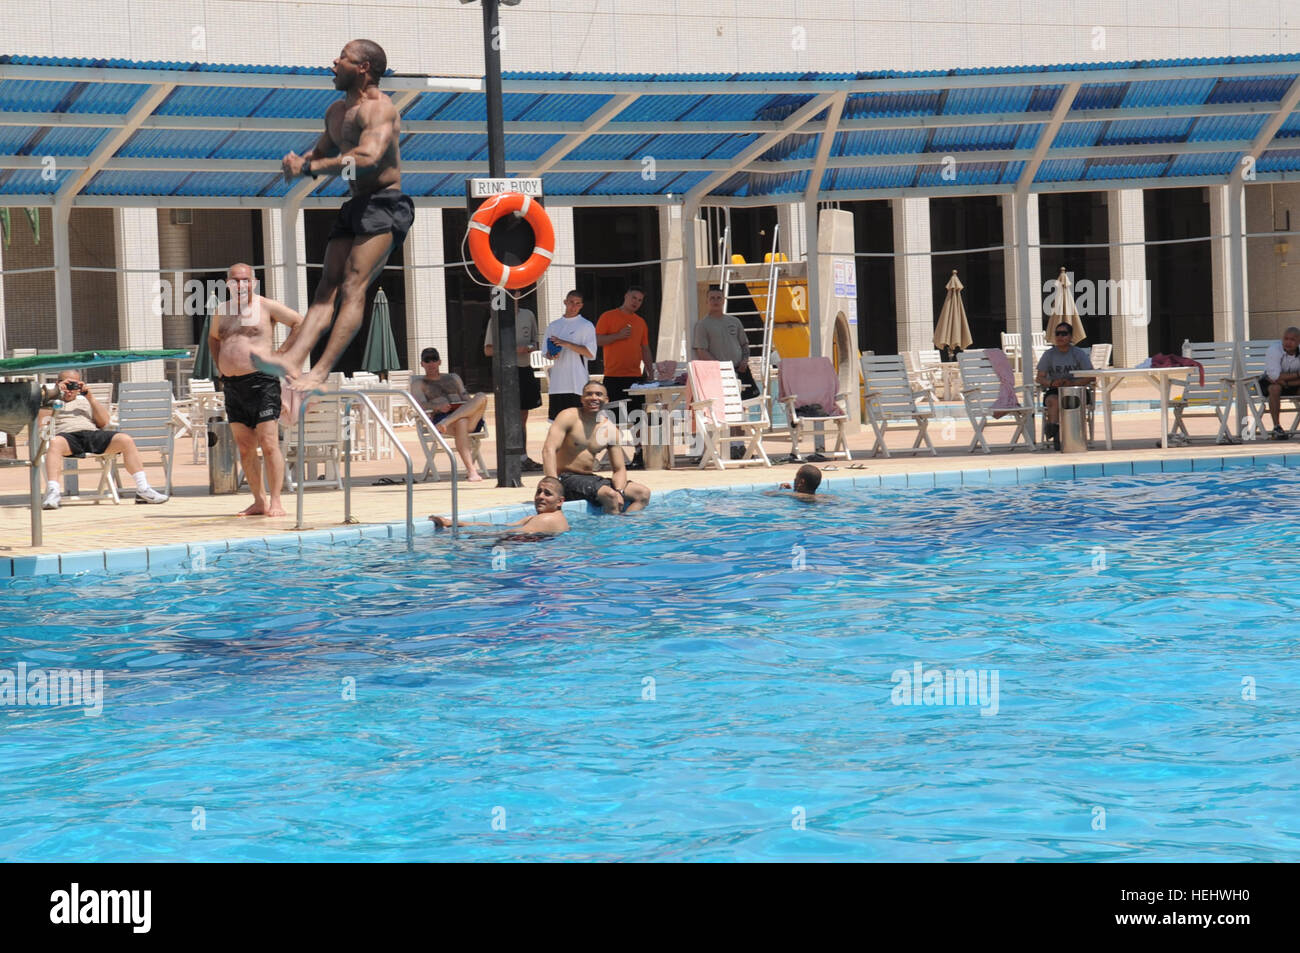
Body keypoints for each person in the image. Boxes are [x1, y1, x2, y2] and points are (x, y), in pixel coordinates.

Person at [254, 39, 411, 394]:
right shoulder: (335, 112)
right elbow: (323, 151)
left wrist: (310, 166)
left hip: (385, 203)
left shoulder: (380, 109)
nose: (333, 62)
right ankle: (293, 360)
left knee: (355, 284)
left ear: (363, 68)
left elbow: (368, 157)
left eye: (343, 58)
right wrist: (300, 162)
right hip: (355, 204)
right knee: (327, 286)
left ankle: (322, 371)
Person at [212, 262, 304, 516]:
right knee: (244, 446)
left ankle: (276, 501)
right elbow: (213, 338)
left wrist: (281, 355)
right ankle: (258, 500)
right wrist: (219, 366)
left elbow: (299, 323)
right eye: (235, 280)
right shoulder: (221, 310)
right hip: (233, 385)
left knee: (268, 442)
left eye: (245, 280)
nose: (240, 284)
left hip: (262, 381)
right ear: (228, 283)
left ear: (253, 282)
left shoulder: (266, 306)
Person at [39, 370, 169, 509]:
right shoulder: (49, 401)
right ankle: (53, 491)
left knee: (125, 440)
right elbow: (42, 424)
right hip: (66, 437)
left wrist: (90, 397)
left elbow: (104, 422)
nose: (71, 389)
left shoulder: (85, 401)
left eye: (74, 385)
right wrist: (56, 394)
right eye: (67, 384)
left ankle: (143, 489)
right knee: (55, 442)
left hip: (92, 434)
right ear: (58, 383)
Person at [542, 379, 651, 514]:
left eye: (598, 394)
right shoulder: (569, 416)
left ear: (606, 399)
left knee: (642, 493)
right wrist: (553, 484)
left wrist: (619, 491)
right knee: (609, 496)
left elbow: (619, 469)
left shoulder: (610, 430)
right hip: (565, 478)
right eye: (589, 394)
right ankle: (611, 533)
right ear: (582, 398)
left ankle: (626, 528)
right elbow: (549, 449)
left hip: (589, 479)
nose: (594, 398)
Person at [693, 285, 760, 457]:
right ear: (707, 301)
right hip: (719, 374)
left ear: (723, 300)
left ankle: (739, 445)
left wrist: (745, 360)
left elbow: (744, 345)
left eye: (718, 298)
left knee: (741, 408)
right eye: (712, 298)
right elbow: (701, 350)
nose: (715, 301)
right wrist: (720, 368)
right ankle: (727, 447)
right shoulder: (703, 325)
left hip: (740, 370)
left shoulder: (734, 322)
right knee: (724, 409)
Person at [595, 286, 654, 468]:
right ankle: (611, 455)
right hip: (613, 376)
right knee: (613, 419)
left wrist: (651, 371)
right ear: (625, 296)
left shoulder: (640, 322)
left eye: (640, 300)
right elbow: (596, 340)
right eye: (633, 298)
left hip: (635, 378)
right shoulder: (608, 316)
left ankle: (639, 454)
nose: (636, 302)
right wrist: (617, 336)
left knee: (637, 418)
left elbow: (645, 348)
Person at [410, 347, 488, 481]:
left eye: (434, 359)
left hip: (453, 421)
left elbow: (466, 398)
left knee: (481, 396)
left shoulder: (453, 378)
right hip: (442, 418)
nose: (431, 363)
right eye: (427, 360)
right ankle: (472, 471)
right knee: (461, 422)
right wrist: (437, 407)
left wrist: (468, 406)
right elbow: (420, 405)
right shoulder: (419, 383)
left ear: (440, 362)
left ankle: (451, 420)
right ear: (422, 364)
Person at [484, 302, 543, 470]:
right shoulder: (496, 318)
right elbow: (488, 350)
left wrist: (528, 348)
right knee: (509, 417)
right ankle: (510, 458)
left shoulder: (528, 315)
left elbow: (535, 343)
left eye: (516, 290)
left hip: (525, 369)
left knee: (523, 417)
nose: (513, 294)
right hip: (506, 371)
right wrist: (513, 349)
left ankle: (523, 457)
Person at [431, 476, 569, 536]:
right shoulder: (536, 518)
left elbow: (512, 533)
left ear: (560, 501)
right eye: (538, 491)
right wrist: (453, 523)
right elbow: (503, 526)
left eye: (547, 493)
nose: (540, 496)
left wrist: (464, 534)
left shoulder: (546, 519)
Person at [1035, 322, 1094, 451]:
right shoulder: (1048, 355)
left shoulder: (1078, 354)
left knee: (1069, 400)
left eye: (1064, 334)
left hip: (1077, 390)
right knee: (1054, 401)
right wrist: (1051, 383)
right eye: (1057, 334)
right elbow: (1039, 378)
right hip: (1055, 389)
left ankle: (1062, 434)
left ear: (1071, 336)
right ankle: (1055, 430)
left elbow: (1091, 376)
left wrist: (1073, 383)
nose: (1060, 337)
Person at [545, 290, 597, 422]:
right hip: (557, 385)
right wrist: (552, 354)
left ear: (582, 305)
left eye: (578, 304)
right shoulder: (553, 326)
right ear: (565, 302)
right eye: (571, 302)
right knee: (557, 425)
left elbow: (591, 353)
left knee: (580, 424)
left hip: (578, 384)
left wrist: (566, 343)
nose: (574, 306)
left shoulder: (586, 325)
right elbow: (546, 353)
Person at [1260, 326, 1300, 439]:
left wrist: (1287, 383)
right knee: (1275, 388)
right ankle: (1277, 427)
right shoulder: (1274, 350)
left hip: (1291, 384)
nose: (1288, 342)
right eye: (1286, 339)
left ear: (1299, 341)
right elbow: (1274, 376)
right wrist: (1297, 375)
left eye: (1292, 340)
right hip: (1270, 383)